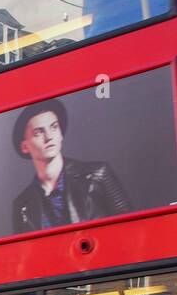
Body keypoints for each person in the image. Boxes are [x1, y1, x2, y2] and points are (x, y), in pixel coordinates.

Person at [12, 98, 131, 234]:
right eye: (39, 132)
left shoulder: (97, 175)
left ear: (61, 134)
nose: (49, 136)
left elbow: (132, 231)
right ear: (25, 147)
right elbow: (24, 254)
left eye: (54, 127)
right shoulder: (22, 205)